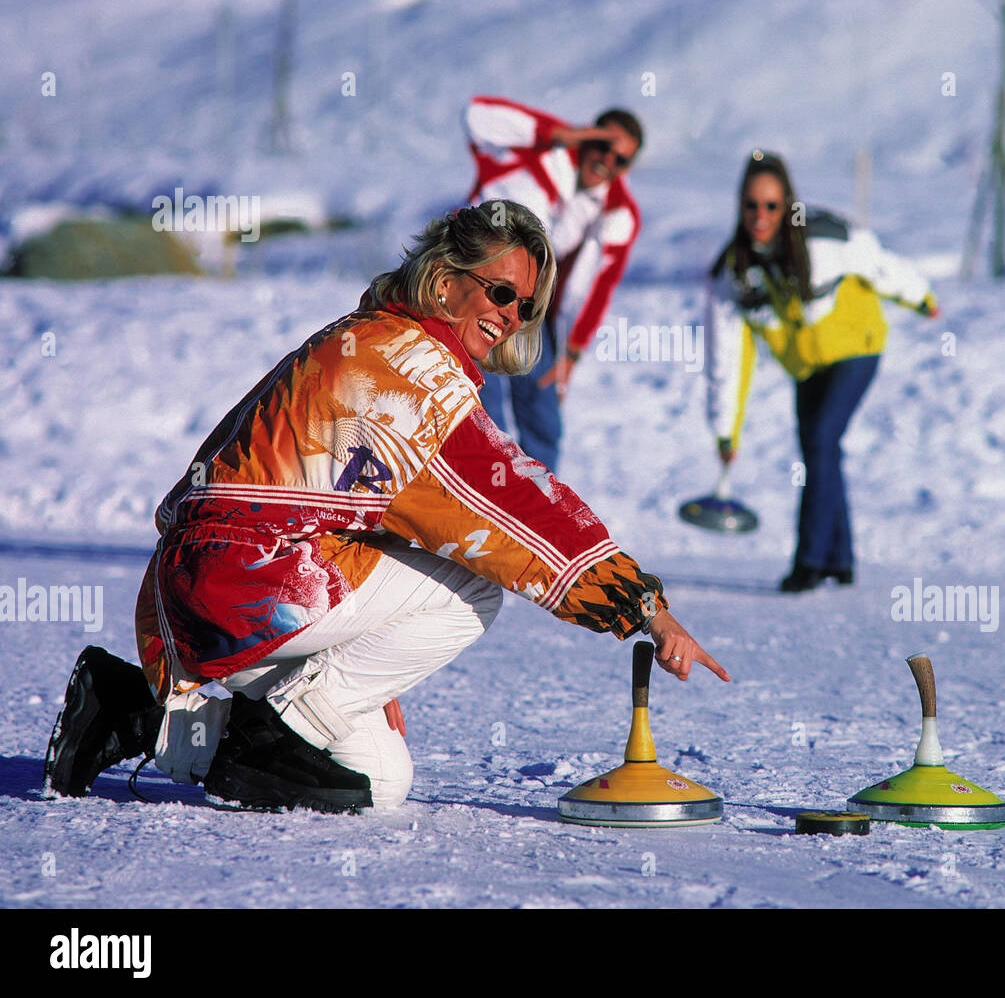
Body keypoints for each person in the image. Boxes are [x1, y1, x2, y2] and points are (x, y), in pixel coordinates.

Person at [45, 201, 727, 813]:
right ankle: (283, 730)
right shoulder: (408, 376)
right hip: (249, 580)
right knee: (477, 585)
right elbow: (512, 508)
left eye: (527, 307)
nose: (512, 316)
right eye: (500, 292)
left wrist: (355, 662)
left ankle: (128, 712)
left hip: (214, 586)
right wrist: (644, 607)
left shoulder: (368, 337)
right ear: (442, 282)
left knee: (376, 779)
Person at [705, 150, 939, 593]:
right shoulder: (733, 271)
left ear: (787, 204)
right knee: (821, 451)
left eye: (772, 206)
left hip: (857, 346)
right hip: (806, 366)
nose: (761, 216)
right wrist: (725, 430)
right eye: (752, 205)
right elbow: (727, 357)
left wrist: (919, 295)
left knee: (821, 439)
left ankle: (809, 561)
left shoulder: (823, 239)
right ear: (740, 206)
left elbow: (878, 263)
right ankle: (841, 558)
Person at [463, 96, 643, 472]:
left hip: (527, 311)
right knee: (483, 410)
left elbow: (597, 287)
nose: (607, 162)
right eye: (603, 146)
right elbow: (477, 115)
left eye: (621, 160)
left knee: (542, 410)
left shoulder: (614, 210)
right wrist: (562, 133)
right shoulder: (534, 155)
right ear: (588, 136)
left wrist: (571, 356)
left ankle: (542, 504)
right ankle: (482, 502)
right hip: (472, 295)